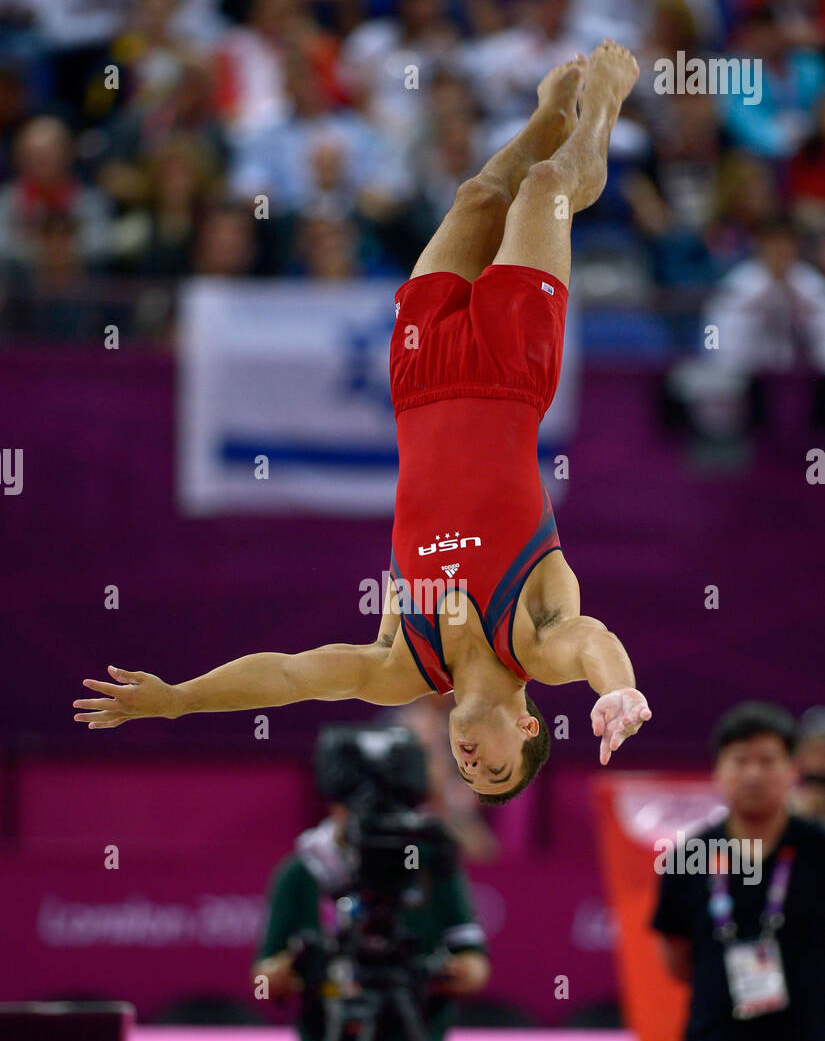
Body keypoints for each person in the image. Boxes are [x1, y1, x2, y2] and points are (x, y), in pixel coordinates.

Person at [74, 41, 652, 802]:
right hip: (511, 377)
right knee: (544, 185)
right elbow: (594, 642)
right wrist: (617, 691)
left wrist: (182, 697)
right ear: (530, 728)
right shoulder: (537, 644)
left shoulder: (401, 663)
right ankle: (599, 109)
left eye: (467, 773)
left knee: (478, 197)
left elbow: (292, 675)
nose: (470, 762)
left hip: (418, 385)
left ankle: (548, 110)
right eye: (495, 767)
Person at [651, 701, 825, 1041]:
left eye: (767, 761)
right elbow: (676, 958)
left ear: (793, 769)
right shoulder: (688, 856)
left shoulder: (818, 849)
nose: (753, 775)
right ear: (718, 770)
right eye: (740, 761)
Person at [252, 801, 490, 1041]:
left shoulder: (430, 865)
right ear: (334, 805)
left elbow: (476, 968)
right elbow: (261, 984)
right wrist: (289, 969)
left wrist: (448, 973)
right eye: (355, 804)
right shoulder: (301, 873)